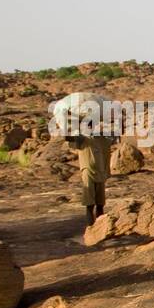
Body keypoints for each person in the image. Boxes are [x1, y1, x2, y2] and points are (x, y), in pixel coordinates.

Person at [49, 90, 116, 227]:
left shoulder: (102, 137)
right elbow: (68, 137)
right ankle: (91, 228)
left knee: (100, 204)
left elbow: (116, 135)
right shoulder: (81, 138)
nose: (89, 126)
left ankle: (100, 228)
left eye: (91, 124)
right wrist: (66, 120)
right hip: (88, 173)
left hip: (100, 173)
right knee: (89, 205)